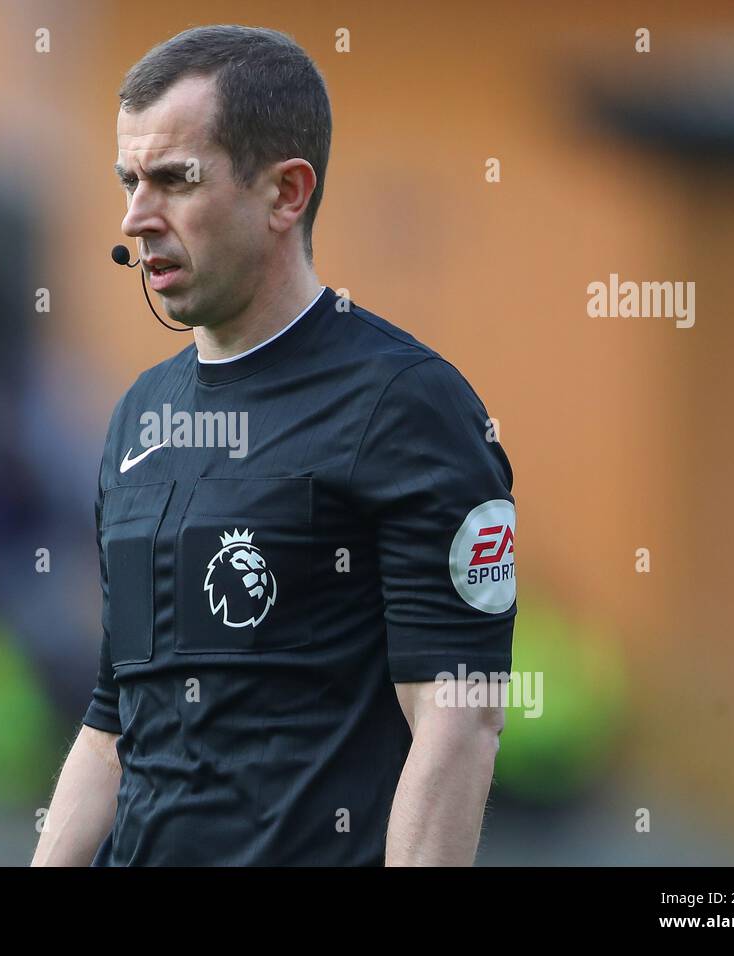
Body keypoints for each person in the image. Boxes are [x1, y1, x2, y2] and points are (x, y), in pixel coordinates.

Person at [32, 24, 516, 867]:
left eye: (175, 180)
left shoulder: (407, 407)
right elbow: (112, 725)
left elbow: (459, 716)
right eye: (129, 182)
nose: (137, 218)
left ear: (286, 193)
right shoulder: (138, 418)